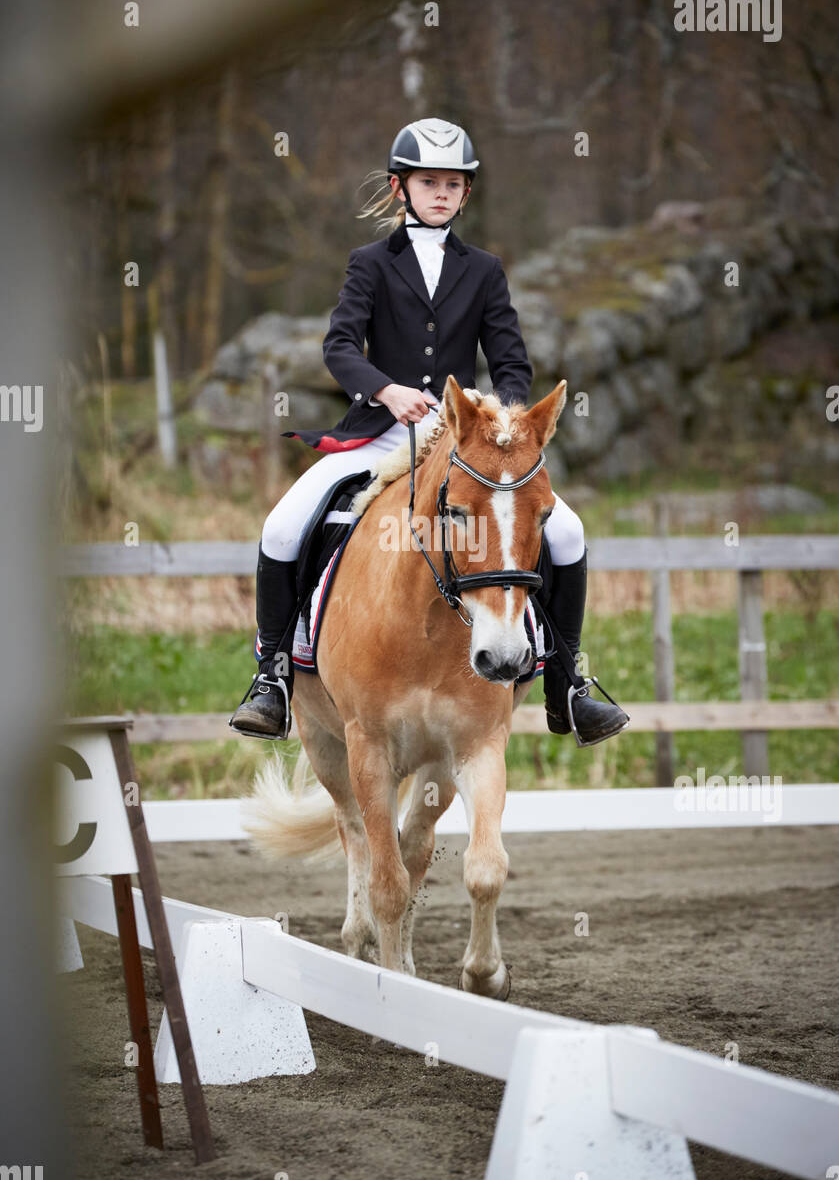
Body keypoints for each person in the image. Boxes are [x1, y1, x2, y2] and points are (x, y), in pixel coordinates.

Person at [230, 117, 627, 746]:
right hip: (380, 434)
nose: (441, 192)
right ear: (400, 187)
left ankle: (567, 685)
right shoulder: (370, 264)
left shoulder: (485, 269)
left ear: (465, 194)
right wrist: (385, 390)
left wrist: (502, 422)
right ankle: (272, 676)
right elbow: (339, 346)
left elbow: (511, 360)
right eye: (428, 182)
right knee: (281, 526)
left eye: (453, 184)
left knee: (569, 531)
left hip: (463, 442)